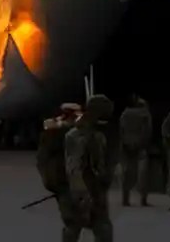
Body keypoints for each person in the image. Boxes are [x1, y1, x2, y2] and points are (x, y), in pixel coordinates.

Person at [64, 95, 114, 241]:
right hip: (83, 189)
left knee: (103, 229)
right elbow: (74, 167)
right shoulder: (77, 136)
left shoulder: (97, 134)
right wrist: (81, 193)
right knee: (74, 228)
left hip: (95, 188)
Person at [37, 104, 80, 239]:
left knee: (74, 220)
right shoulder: (58, 132)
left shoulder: (53, 129)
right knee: (73, 221)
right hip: (66, 181)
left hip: (67, 181)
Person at [117, 95, 152, 207]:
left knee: (127, 173)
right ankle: (143, 199)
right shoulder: (145, 114)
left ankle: (125, 199)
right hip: (140, 146)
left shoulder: (125, 114)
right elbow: (147, 131)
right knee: (143, 174)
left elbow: (121, 130)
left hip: (126, 146)